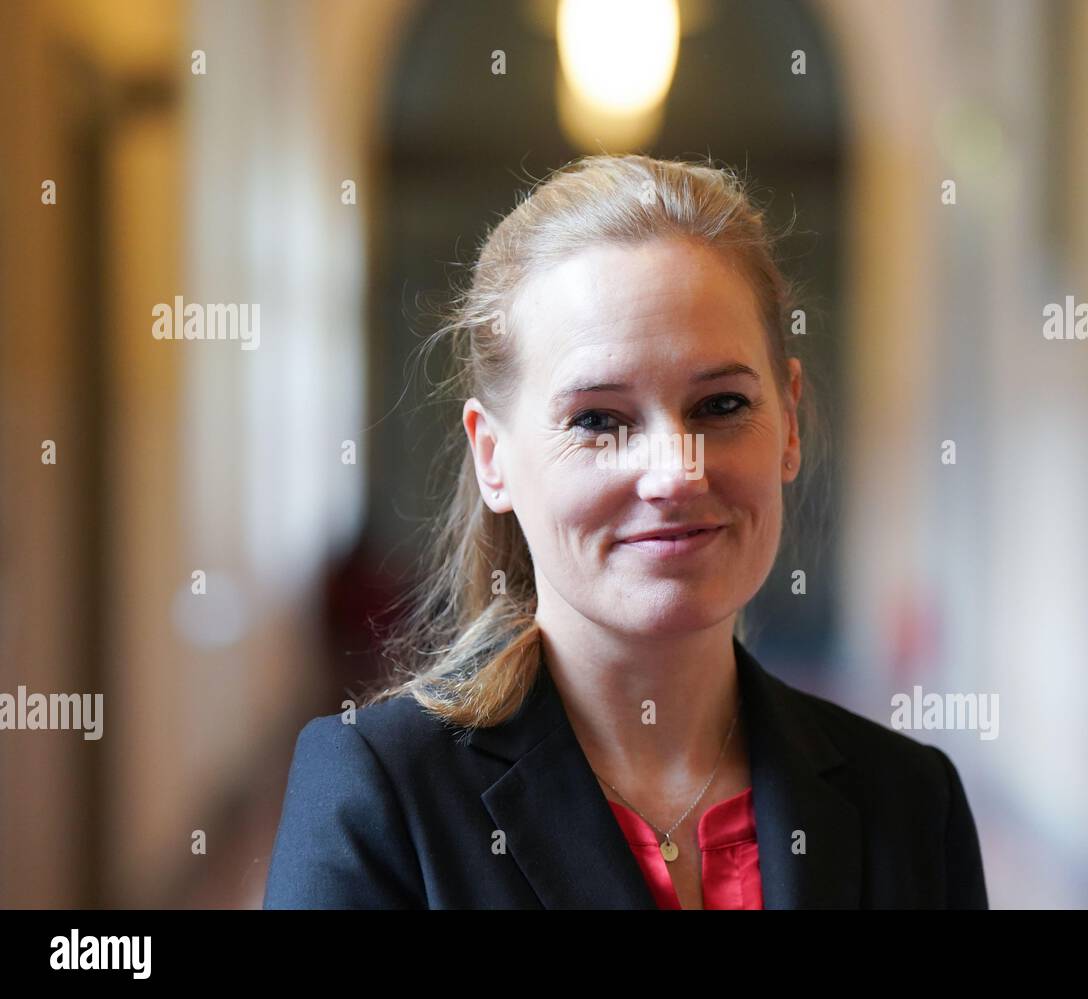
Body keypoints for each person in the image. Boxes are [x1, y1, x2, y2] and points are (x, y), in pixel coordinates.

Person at [262, 154, 988, 909]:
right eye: (598, 420)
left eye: (721, 406)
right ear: (493, 456)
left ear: (790, 421)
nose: (676, 472)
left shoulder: (910, 803)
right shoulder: (381, 796)